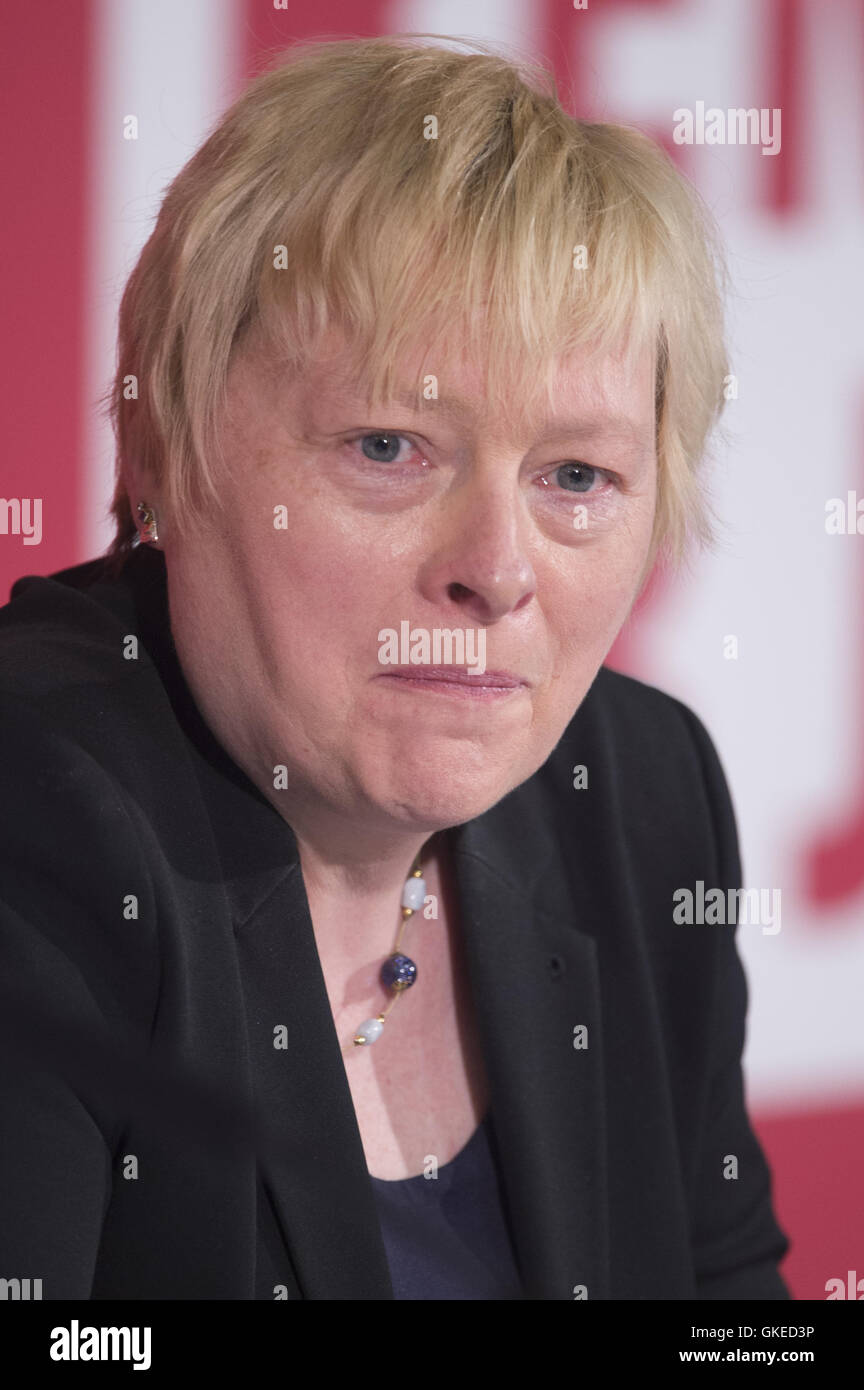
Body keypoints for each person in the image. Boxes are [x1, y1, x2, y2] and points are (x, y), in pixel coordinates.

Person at [0, 34, 790, 1300]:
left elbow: (723, 1297)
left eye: (576, 476)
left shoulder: (641, 794)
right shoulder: (37, 811)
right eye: (388, 445)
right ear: (169, 445)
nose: (496, 566)